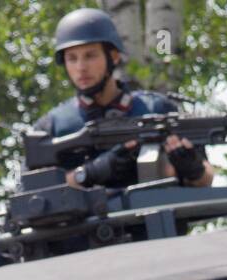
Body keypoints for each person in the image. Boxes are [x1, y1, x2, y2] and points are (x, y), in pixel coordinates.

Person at [32, 7, 216, 189]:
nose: (81, 67)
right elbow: (31, 192)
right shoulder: (52, 126)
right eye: (72, 58)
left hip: (156, 217)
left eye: (90, 56)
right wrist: (87, 173)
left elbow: (206, 179)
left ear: (113, 56)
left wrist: (193, 170)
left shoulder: (157, 109)